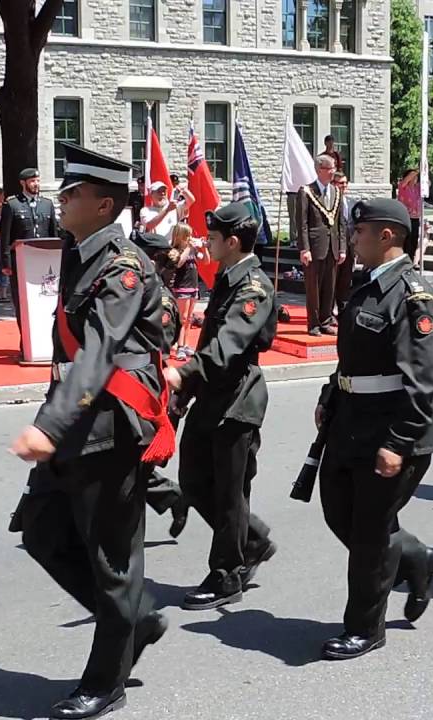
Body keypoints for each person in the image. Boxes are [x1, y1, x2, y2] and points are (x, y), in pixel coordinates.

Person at [8, 142, 171, 720]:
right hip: (75, 417)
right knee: (41, 531)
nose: (62, 198)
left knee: (111, 561)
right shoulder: (81, 253)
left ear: (104, 205)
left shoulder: (122, 266)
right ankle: (134, 619)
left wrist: (49, 426)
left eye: (73, 192)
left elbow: (99, 352)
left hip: (106, 424)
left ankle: (106, 680)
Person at [313, 198, 433, 659]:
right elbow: (354, 357)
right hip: (350, 422)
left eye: (360, 231)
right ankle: (416, 558)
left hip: (390, 431)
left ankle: (365, 628)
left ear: (386, 236)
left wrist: (398, 442)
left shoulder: (413, 297)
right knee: (339, 513)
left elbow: (420, 382)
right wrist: (330, 395)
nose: (353, 238)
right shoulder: (368, 285)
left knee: (370, 535)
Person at [164, 202, 279, 612]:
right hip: (212, 395)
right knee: (194, 482)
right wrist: (184, 396)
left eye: (211, 238)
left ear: (232, 242)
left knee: (230, 493)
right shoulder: (229, 278)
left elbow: (228, 345)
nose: (205, 242)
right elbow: (208, 343)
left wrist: (182, 374)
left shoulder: (254, 287)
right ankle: (252, 539)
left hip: (237, 398)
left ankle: (227, 574)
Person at [130, 229, 191, 538]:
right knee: (128, 464)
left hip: (147, 388)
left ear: (152, 259)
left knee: (132, 464)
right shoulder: (139, 289)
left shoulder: (161, 299)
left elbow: (159, 348)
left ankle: (172, 496)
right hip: (130, 382)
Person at [1, 167, 60, 353]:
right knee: (22, 303)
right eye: (32, 181)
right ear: (23, 183)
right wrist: (6, 263)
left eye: (38, 180)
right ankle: (26, 342)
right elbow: (5, 237)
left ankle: (47, 342)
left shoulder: (47, 204)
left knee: (46, 300)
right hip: (21, 262)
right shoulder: (12, 205)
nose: (36, 184)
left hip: (44, 262)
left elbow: (54, 234)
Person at [297, 155, 346, 336]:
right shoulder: (306, 192)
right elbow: (302, 223)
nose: (333, 171)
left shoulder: (336, 192)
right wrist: (305, 248)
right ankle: (314, 324)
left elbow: (340, 223)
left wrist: (342, 248)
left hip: (332, 247)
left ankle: (326, 320)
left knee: (329, 286)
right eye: (330, 168)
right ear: (320, 170)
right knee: (314, 288)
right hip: (314, 247)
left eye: (334, 168)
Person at [169, 223, 200, 359]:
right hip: (181, 286)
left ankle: (186, 345)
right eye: (187, 235)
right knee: (182, 318)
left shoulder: (192, 250)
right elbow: (179, 263)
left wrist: (204, 247)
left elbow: (206, 261)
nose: (190, 238)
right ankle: (179, 346)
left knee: (189, 318)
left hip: (193, 286)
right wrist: (188, 248)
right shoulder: (175, 250)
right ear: (180, 236)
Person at [333, 172, 357, 318]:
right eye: (341, 183)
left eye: (346, 183)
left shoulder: (352, 203)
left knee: (346, 279)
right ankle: (329, 310)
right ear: (333, 184)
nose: (344, 186)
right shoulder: (330, 203)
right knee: (332, 280)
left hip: (350, 247)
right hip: (335, 246)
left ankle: (343, 309)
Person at [396, 167, 422, 240]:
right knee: (407, 238)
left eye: (416, 176)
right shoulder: (403, 186)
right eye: (413, 176)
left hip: (416, 217)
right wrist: (417, 170)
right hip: (406, 217)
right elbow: (407, 179)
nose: (415, 178)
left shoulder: (417, 188)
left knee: (414, 238)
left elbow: (428, 183)